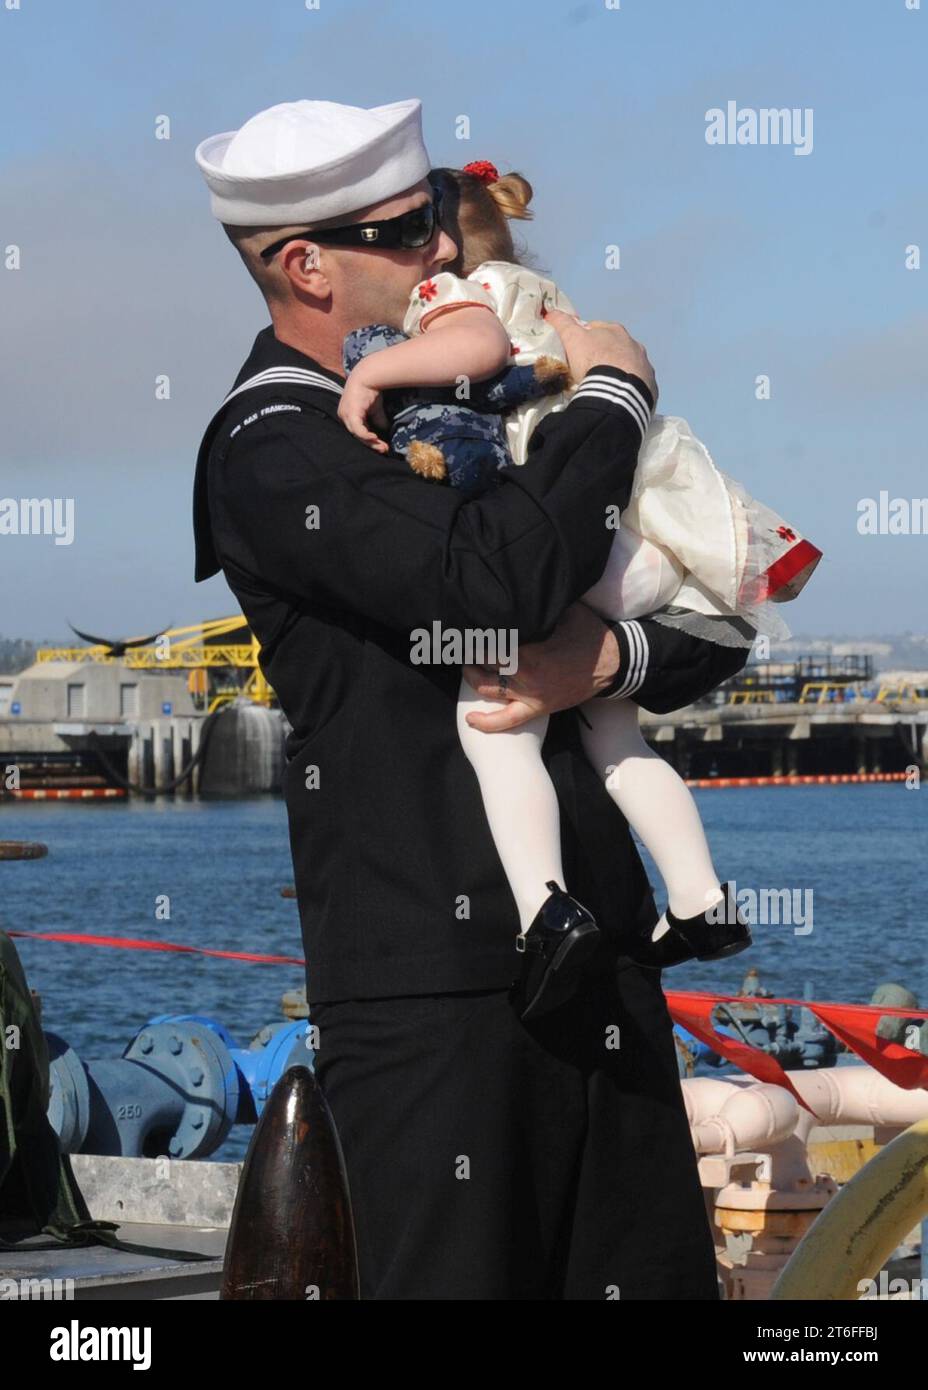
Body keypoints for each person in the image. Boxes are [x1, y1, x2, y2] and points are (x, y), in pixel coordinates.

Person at [192, 97, 751, 1300]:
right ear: (303, 265)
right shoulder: (279, 443)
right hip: (436, 1007)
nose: (442, 249)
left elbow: (714, 613)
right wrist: (613, 403)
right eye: (405, 232)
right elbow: (496, 577)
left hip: (599, 967)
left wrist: (606, 668)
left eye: (437, 219)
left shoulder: (486, 396)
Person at [335, 161, 822, 1020]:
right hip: (633, 553)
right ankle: (701, 902)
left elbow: (476, 354)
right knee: (614, 736)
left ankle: (547, 913)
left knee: (491, 729)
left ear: (441, 243)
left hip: (575, 548)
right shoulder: (547, 294)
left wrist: (374, 375)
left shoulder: (459, 295)